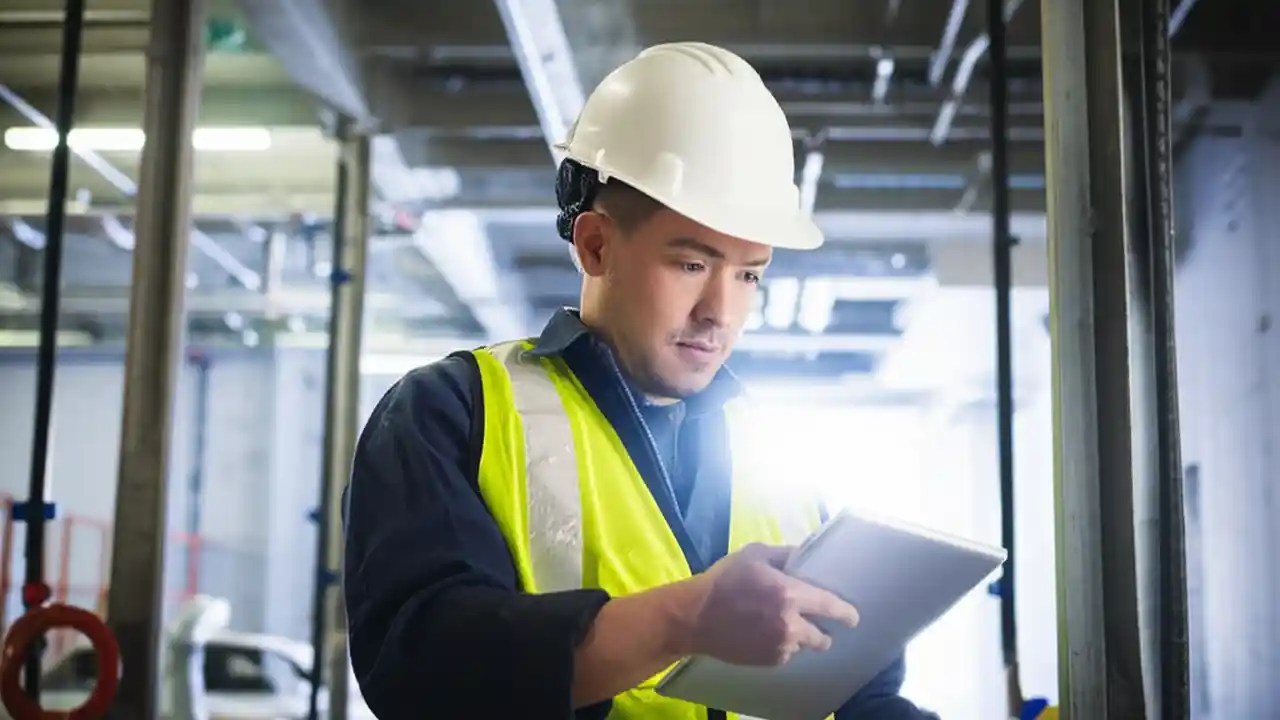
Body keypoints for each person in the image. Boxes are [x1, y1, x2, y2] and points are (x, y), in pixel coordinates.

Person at [343, 42, 938, 719]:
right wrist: (685, 620)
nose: (721, 312)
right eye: (691, 265)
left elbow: (861, 697)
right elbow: (421, 669)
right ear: (595, 245)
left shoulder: (771, 452)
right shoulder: (456, 411)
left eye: (749, 274)